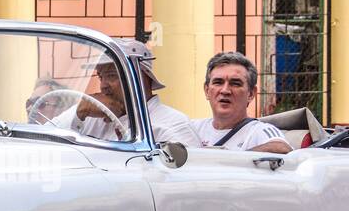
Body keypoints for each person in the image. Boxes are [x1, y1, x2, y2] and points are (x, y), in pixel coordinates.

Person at [67, 39, 197, 147]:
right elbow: (51, 141)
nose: (103, 86)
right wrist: (79, 113)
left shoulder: (172, 124)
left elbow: (186, 174)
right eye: (101, 77)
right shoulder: (91, 115)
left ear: (140, 79)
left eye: (111, 75)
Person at [193, 51, 291, 154]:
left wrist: (234, 159)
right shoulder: (192, 129)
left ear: (251, 94)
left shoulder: (259, 131)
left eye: (235, 84)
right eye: (218, 82)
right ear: (207, 90)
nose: (225, 90)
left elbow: (283, 149)